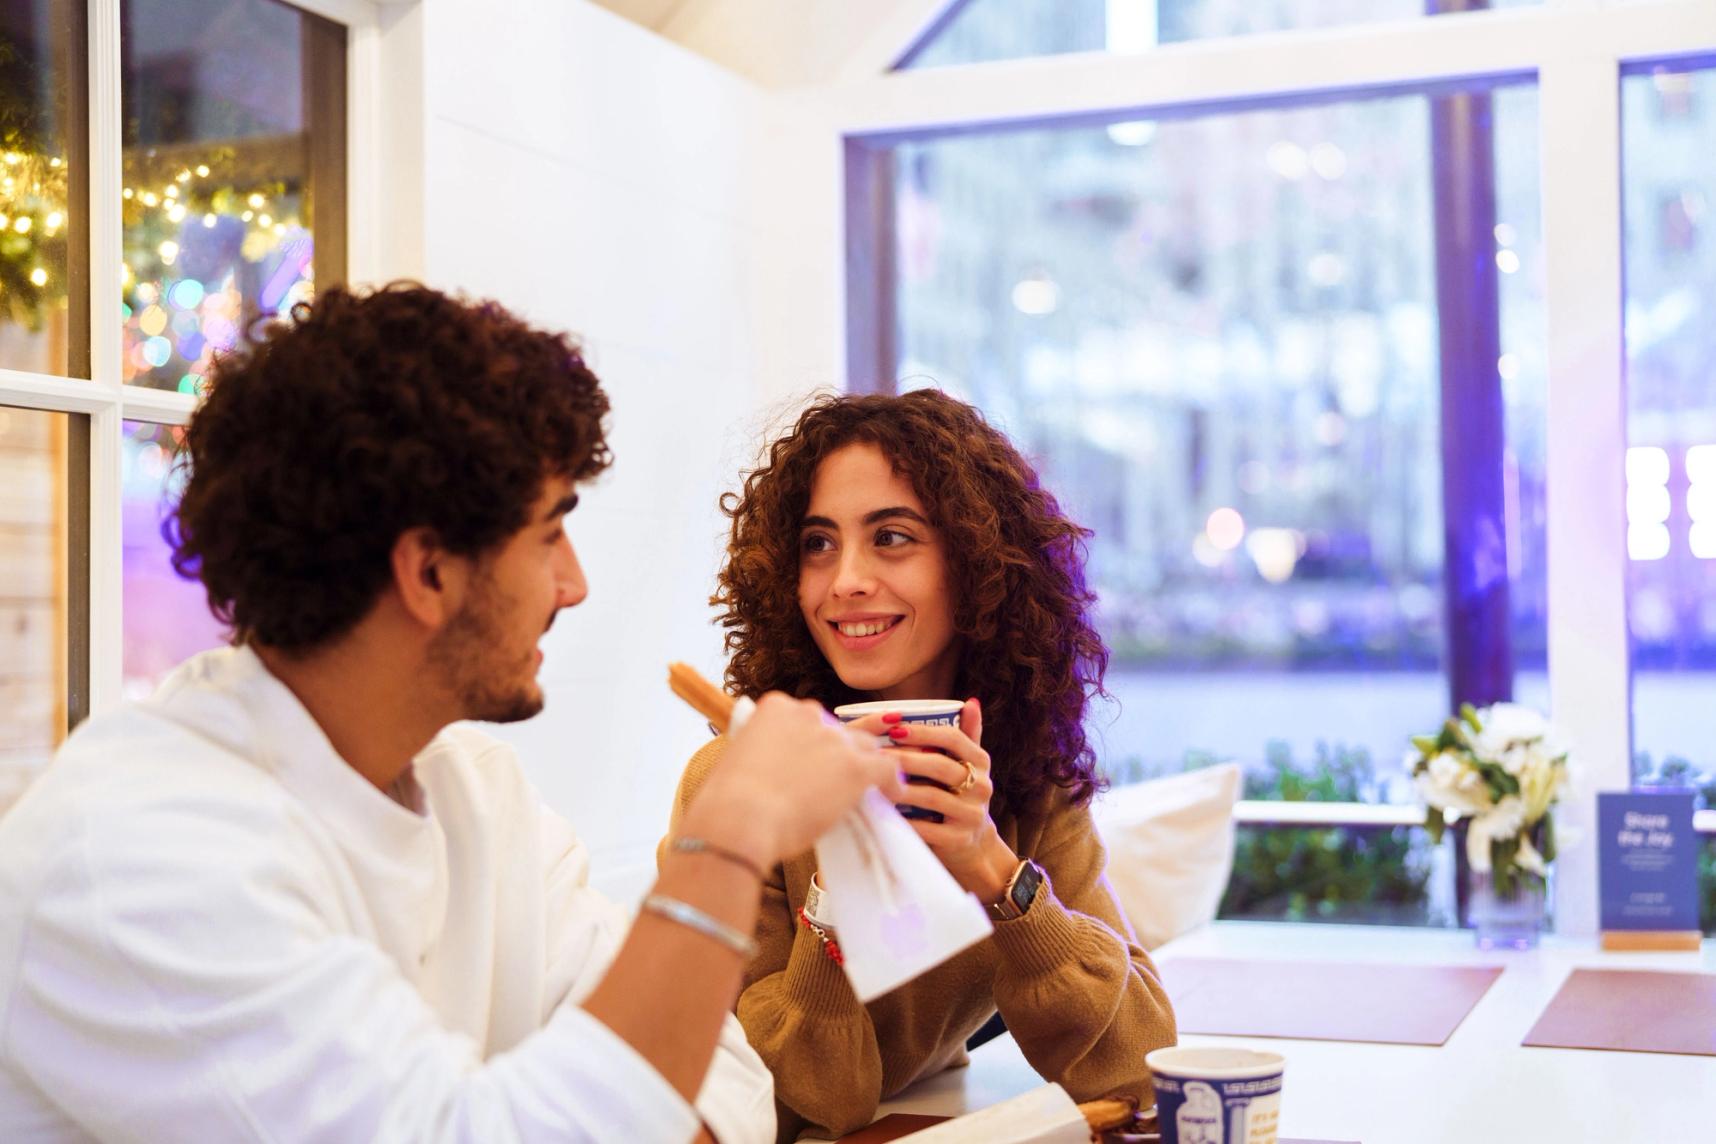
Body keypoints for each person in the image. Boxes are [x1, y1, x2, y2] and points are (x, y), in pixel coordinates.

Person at [0, 284, 904, 1143]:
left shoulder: (472, 789)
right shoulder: (137, 856)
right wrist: (732, 835)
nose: (575, 584)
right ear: (428, 571)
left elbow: (721, 1076)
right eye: (549, 532)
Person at [666, 389, 1178, 1140]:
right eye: (818, 543)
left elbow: (1140, 1070)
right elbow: (786, 1104)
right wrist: (840, 881)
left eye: (892, 537)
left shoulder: (1022, 780)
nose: (845, 581)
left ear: (975, 565)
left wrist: (996, 873)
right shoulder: (737, 781)